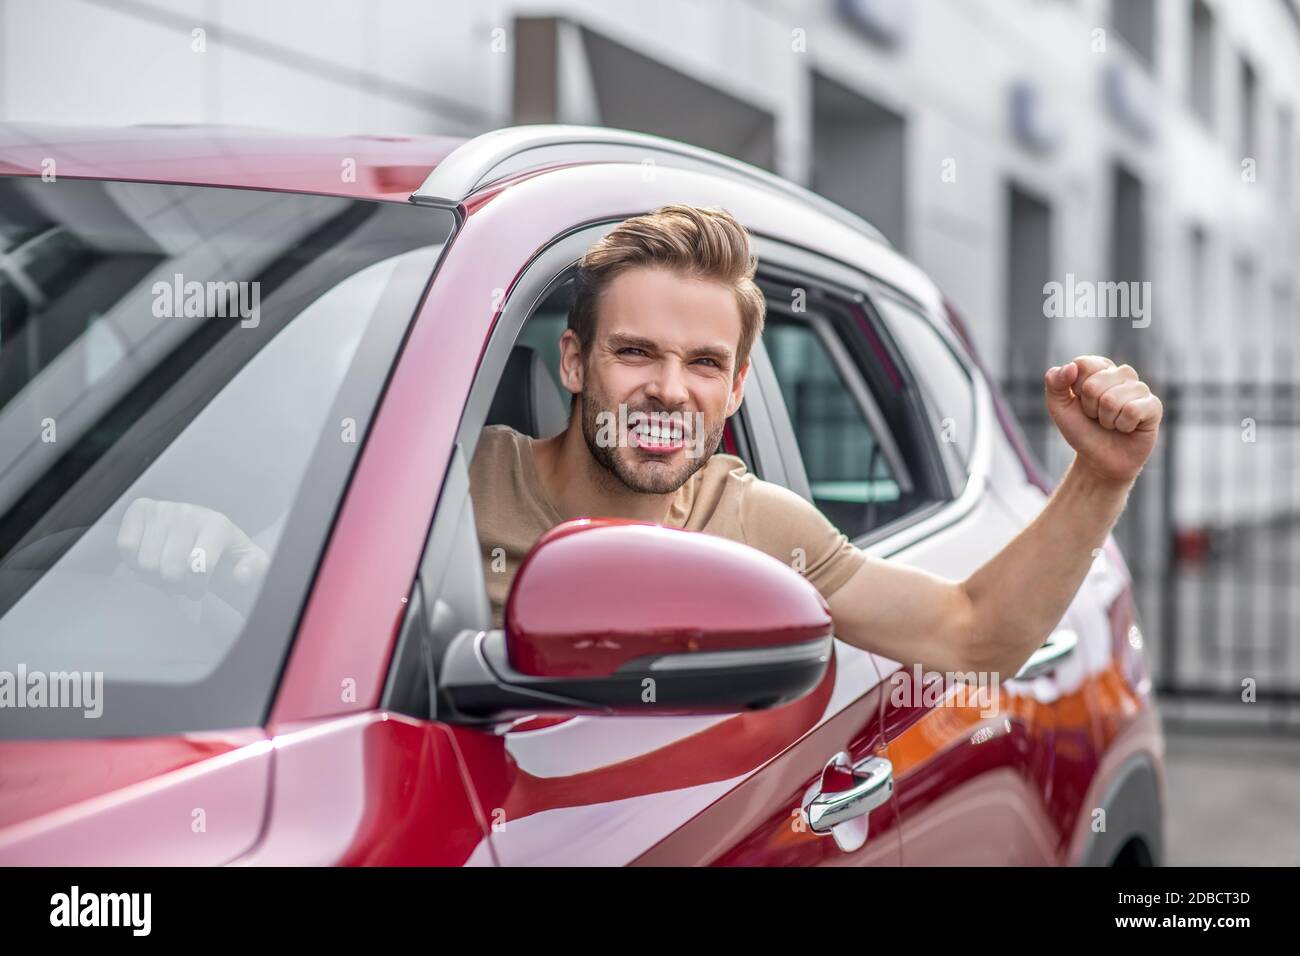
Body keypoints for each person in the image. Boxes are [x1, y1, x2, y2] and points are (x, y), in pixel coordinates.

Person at [467, 204, 1162, 677]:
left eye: (705, 363)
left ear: (736, 388)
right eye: (636, 353)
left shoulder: (754, 524)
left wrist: (1100, 477)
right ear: (572, 362)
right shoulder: (455, 484)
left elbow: (972, 633)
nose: (671, 390)